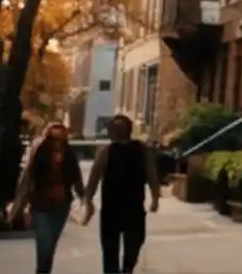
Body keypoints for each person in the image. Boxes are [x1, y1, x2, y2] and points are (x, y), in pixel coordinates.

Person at [84, 115, 161, 274]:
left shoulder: (141, 149)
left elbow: (151, 173)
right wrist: (88, 200)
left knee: (134, 243)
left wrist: (155, 197)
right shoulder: (107, 151)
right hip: (112, 207)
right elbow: (95, 176)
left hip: (132, 207)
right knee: (110, 248)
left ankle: (127, 267)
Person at [11, 123, 85, 274]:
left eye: (61, 139)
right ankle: (42, 270)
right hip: (41, 205)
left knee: (51, 245)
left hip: (61, 206)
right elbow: (28, 181)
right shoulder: (40, 156)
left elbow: (76, 179)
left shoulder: (70, 157)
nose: (57, 143)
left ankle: (44, 270)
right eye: (53, 139)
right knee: (44, 244)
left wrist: (84, 198)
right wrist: (20, 206)